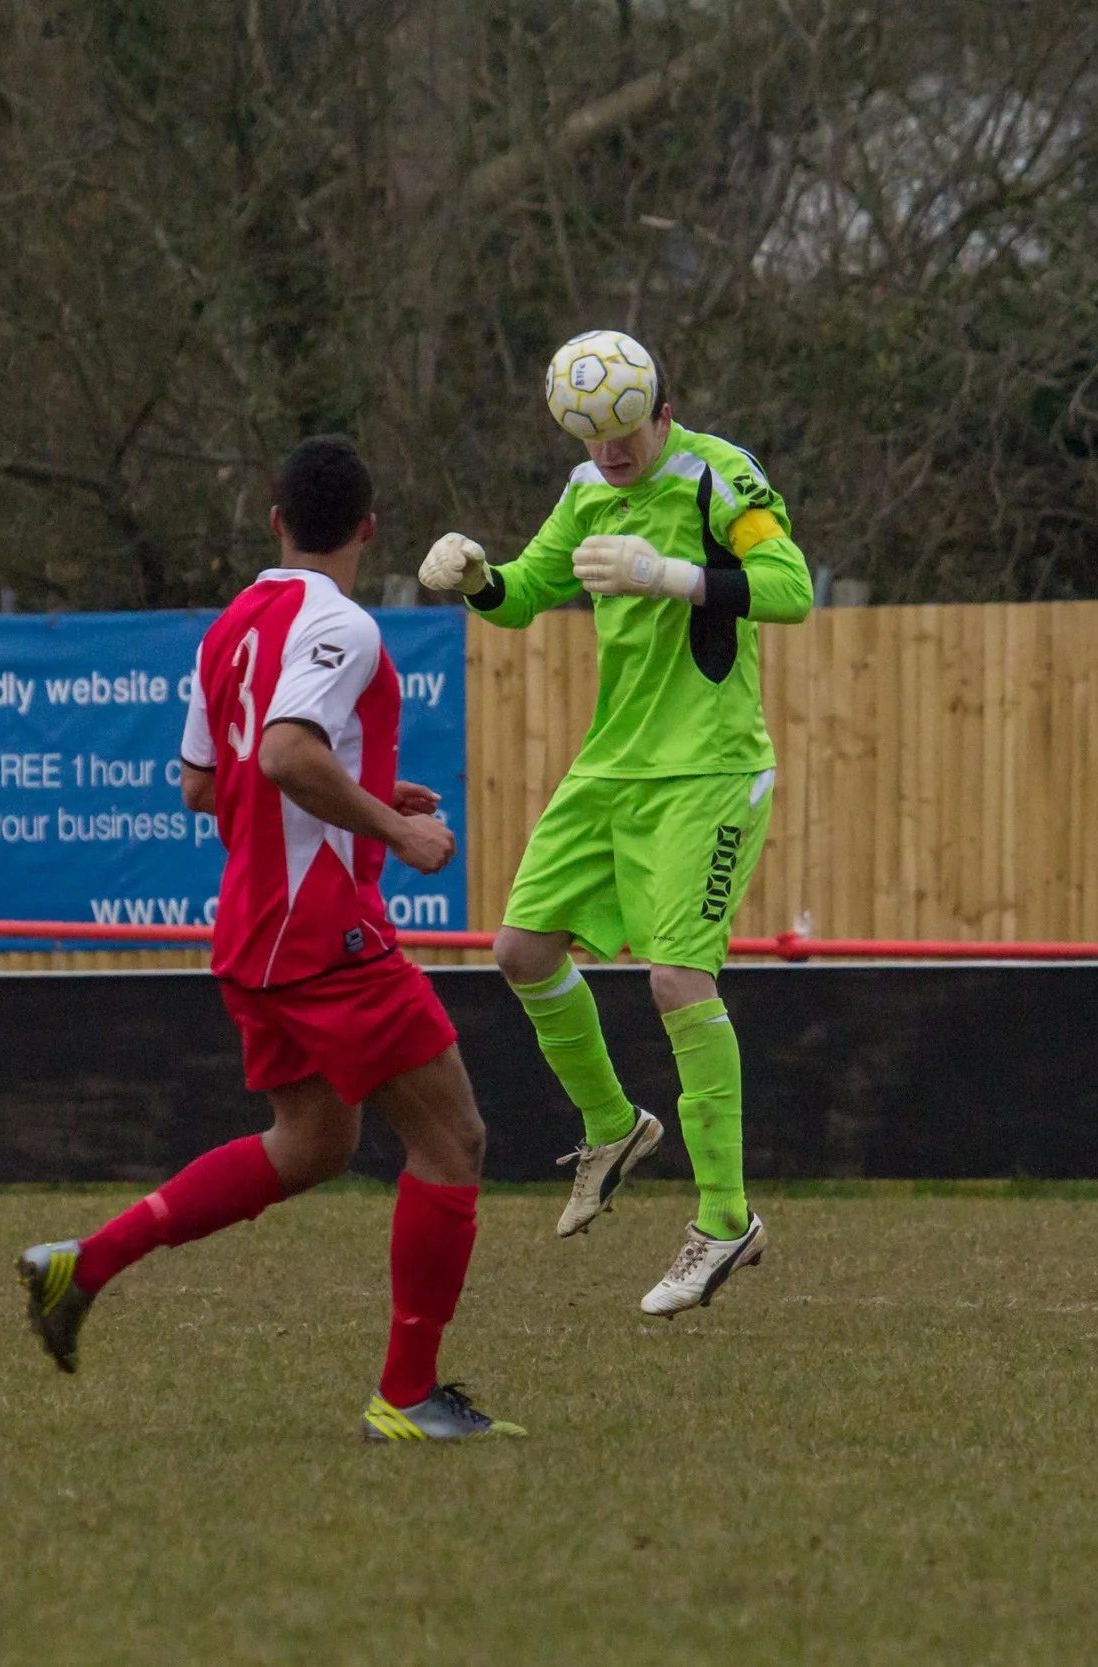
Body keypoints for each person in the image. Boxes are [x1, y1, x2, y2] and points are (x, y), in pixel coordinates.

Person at [18, 436, 521, 1441]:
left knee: (314, 1140)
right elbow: (290, 753)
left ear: (276, 522)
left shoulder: (233, 625)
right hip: (318, 929)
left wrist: (356, 796)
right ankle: (409, 1394)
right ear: (370, 531)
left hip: (250, 927)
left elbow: (207, 782)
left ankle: (85, 1261)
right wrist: (395, 827)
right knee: (452, 1137)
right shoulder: (343, 625)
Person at [415, 338, 813, 1316]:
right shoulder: (585, 489)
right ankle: (612, 1123)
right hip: (611, 768)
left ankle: (724, 1220)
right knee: (519, 947)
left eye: (622, 434)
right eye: (589, 438)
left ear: (660, 407)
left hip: (708, 768)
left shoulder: (722, 474)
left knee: (678, 974)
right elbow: (526, 594)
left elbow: (794, 589)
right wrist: (472, 578)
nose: (610, 454)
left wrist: (674, 574)